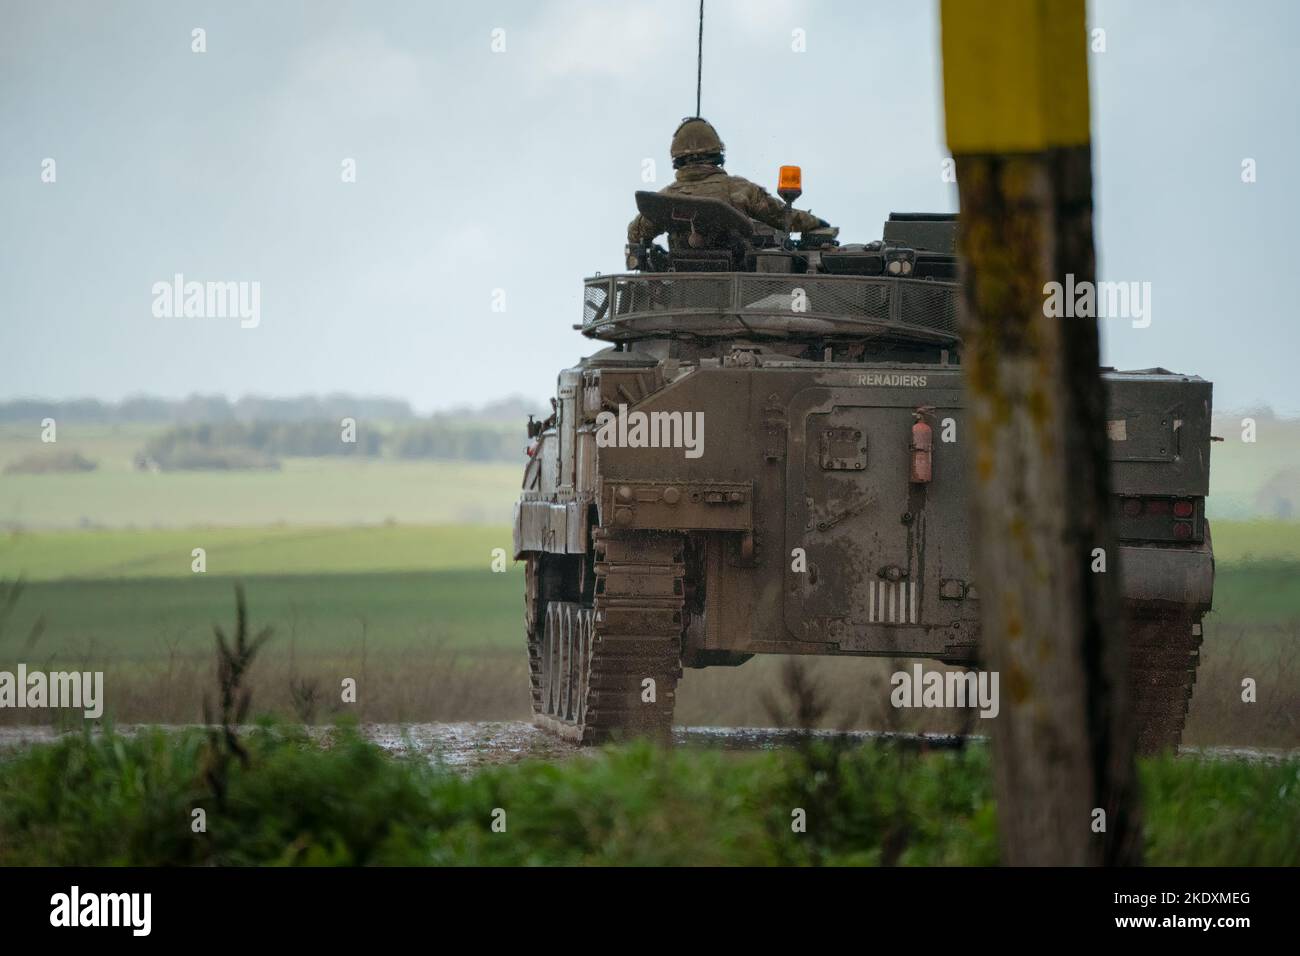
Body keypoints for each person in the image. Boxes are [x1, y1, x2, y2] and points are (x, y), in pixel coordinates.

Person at [627, 117, 834, 249]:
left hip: (683, 288)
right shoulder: (738, 189)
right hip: (739, 289)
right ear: (717, 154)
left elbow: (636, 233)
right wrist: (815, 222)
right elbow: (781, 217)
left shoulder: (664, 199)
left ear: (676, 159)